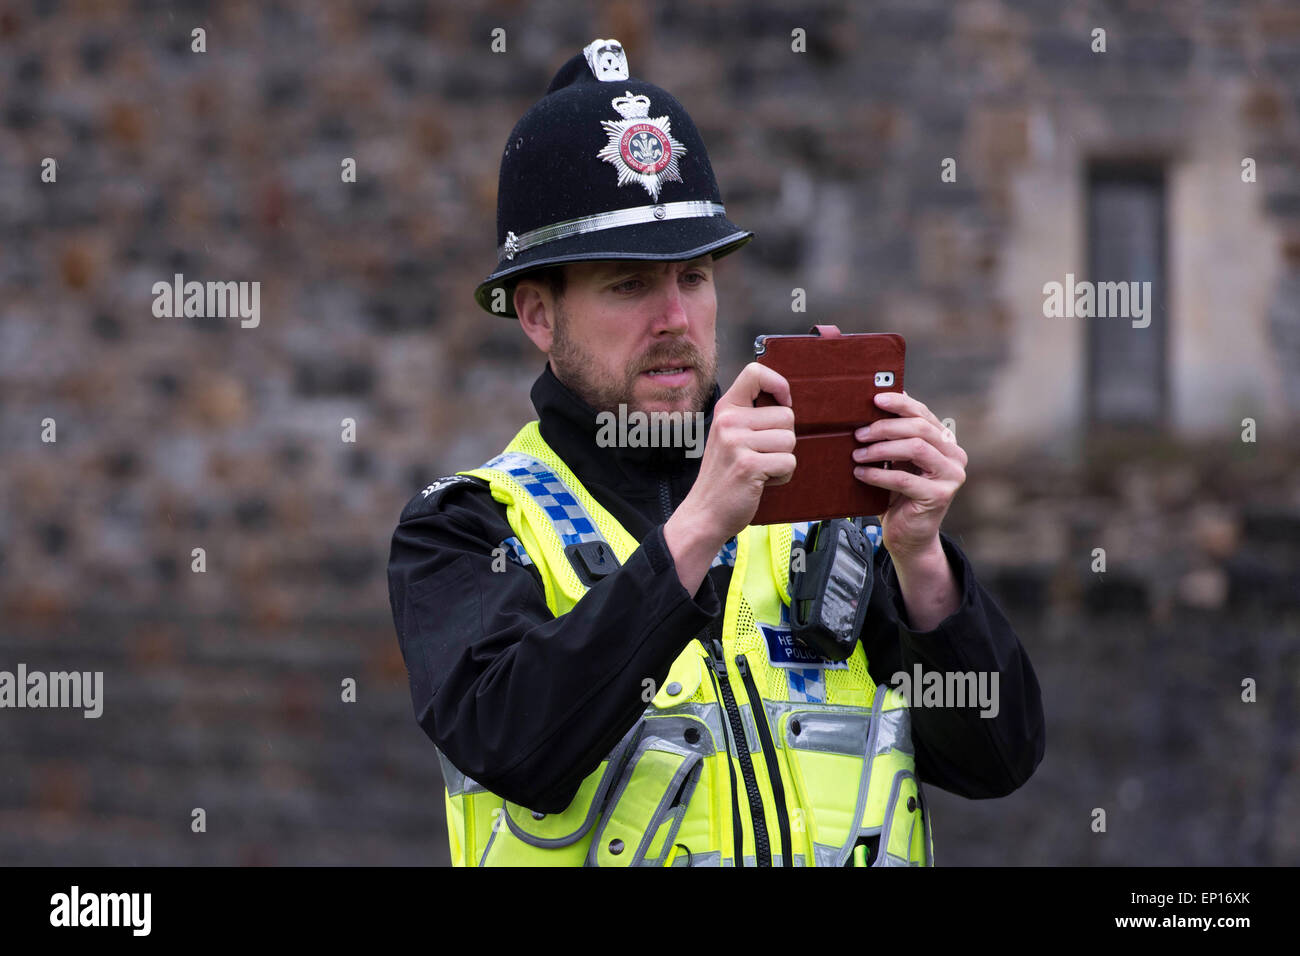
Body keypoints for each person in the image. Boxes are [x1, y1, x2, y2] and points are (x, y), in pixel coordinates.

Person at [387, 38, 1045, 867]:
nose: (674, 317)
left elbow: (1000, 757)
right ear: (537, 316)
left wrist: (923, 565)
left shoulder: (827, 506)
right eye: (629, 284)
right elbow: (515, 746)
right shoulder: (464, 527)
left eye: (693, 277)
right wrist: (698, 530)